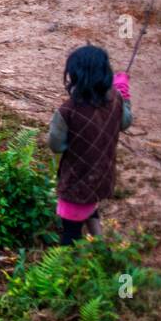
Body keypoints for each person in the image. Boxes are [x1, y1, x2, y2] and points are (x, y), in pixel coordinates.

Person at [47, 45, 133, 245]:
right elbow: (125, 122)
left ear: (76, 76)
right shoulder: (116, 99)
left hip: (76, 181)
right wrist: (124, 94)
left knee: (70, 234)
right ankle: (101, 248)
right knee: (90, 203)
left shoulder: (67, 111)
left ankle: (70, 269)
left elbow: (56, 145)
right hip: (103, 175)